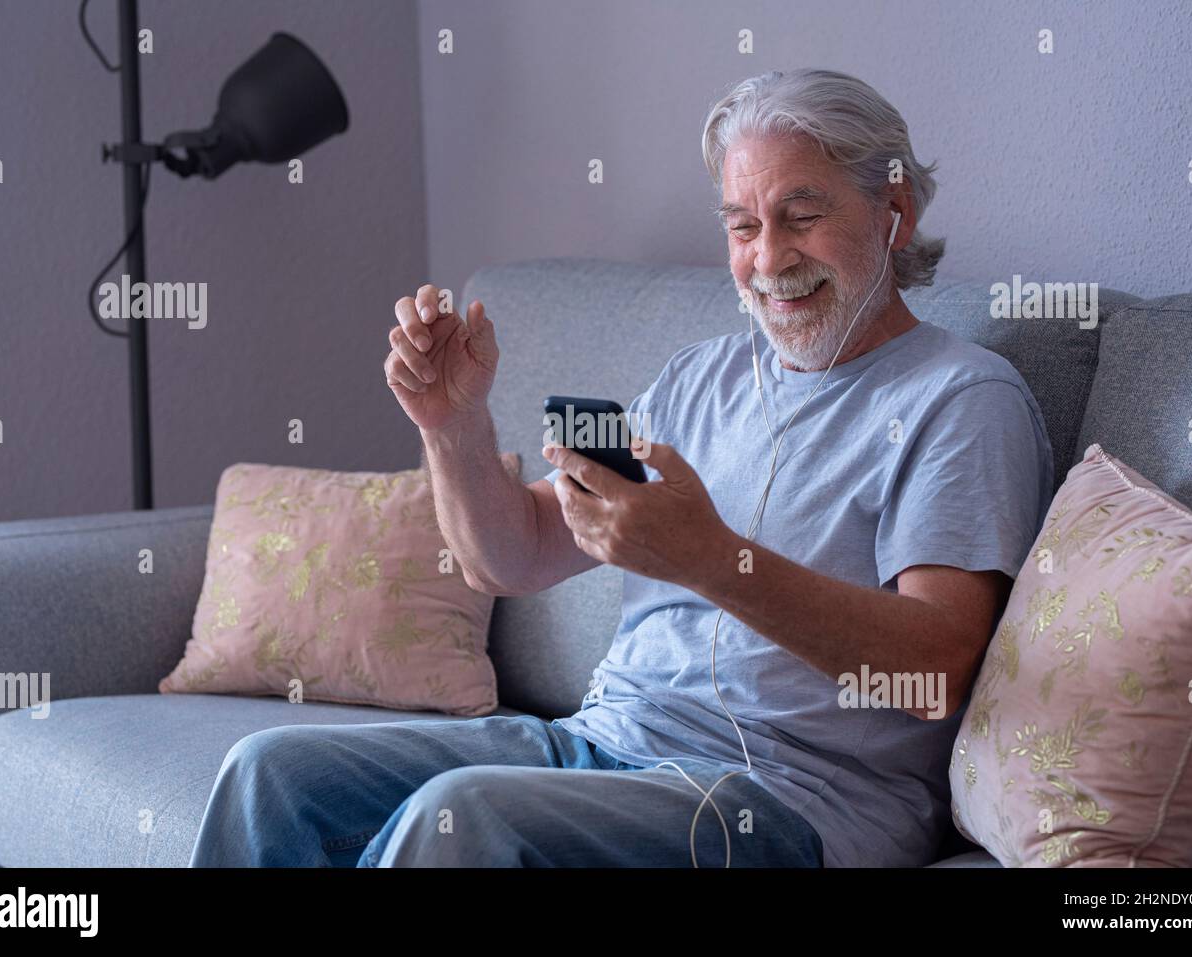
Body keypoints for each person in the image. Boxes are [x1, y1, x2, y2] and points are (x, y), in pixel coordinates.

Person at [189, 68, 1053, 868]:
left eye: (802, 214)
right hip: (603, 742)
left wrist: (709, 557)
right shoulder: (699, 377)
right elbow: (516, 553)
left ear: (892, 208)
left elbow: (934, 670)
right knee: (270, 776)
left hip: (788, 799)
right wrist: (453, 427)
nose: (770, 257)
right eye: (743, 226)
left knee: (468, 816)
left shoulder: (961, 399)